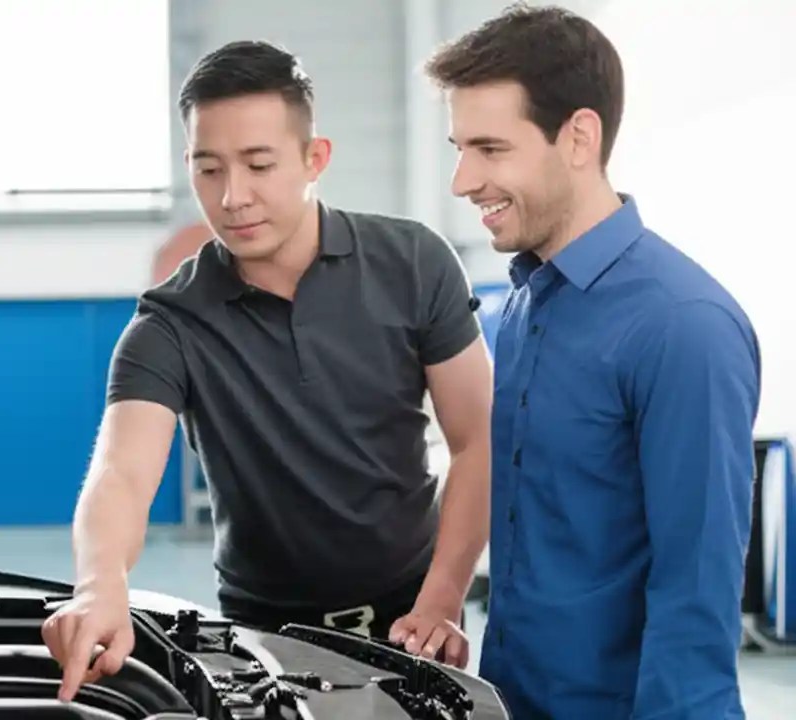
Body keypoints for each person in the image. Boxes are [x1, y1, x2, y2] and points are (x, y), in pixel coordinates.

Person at [41, 39, 494, 702]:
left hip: (414, 616)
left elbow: (478, 438)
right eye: (208, 169)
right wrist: (99, 585)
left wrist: (444, 598)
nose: (232, 197)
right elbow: (122, 472)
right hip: (263, 639)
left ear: (315, 159)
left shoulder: (415, 264)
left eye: (258, 164)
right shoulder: (170, 324)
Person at [424, 4, 761, 718]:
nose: (462, 180)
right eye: (459, 148)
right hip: (511, 698)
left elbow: (695, 599)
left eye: (490, 149)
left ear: (579, 137)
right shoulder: (521, 310)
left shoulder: (683, 327)